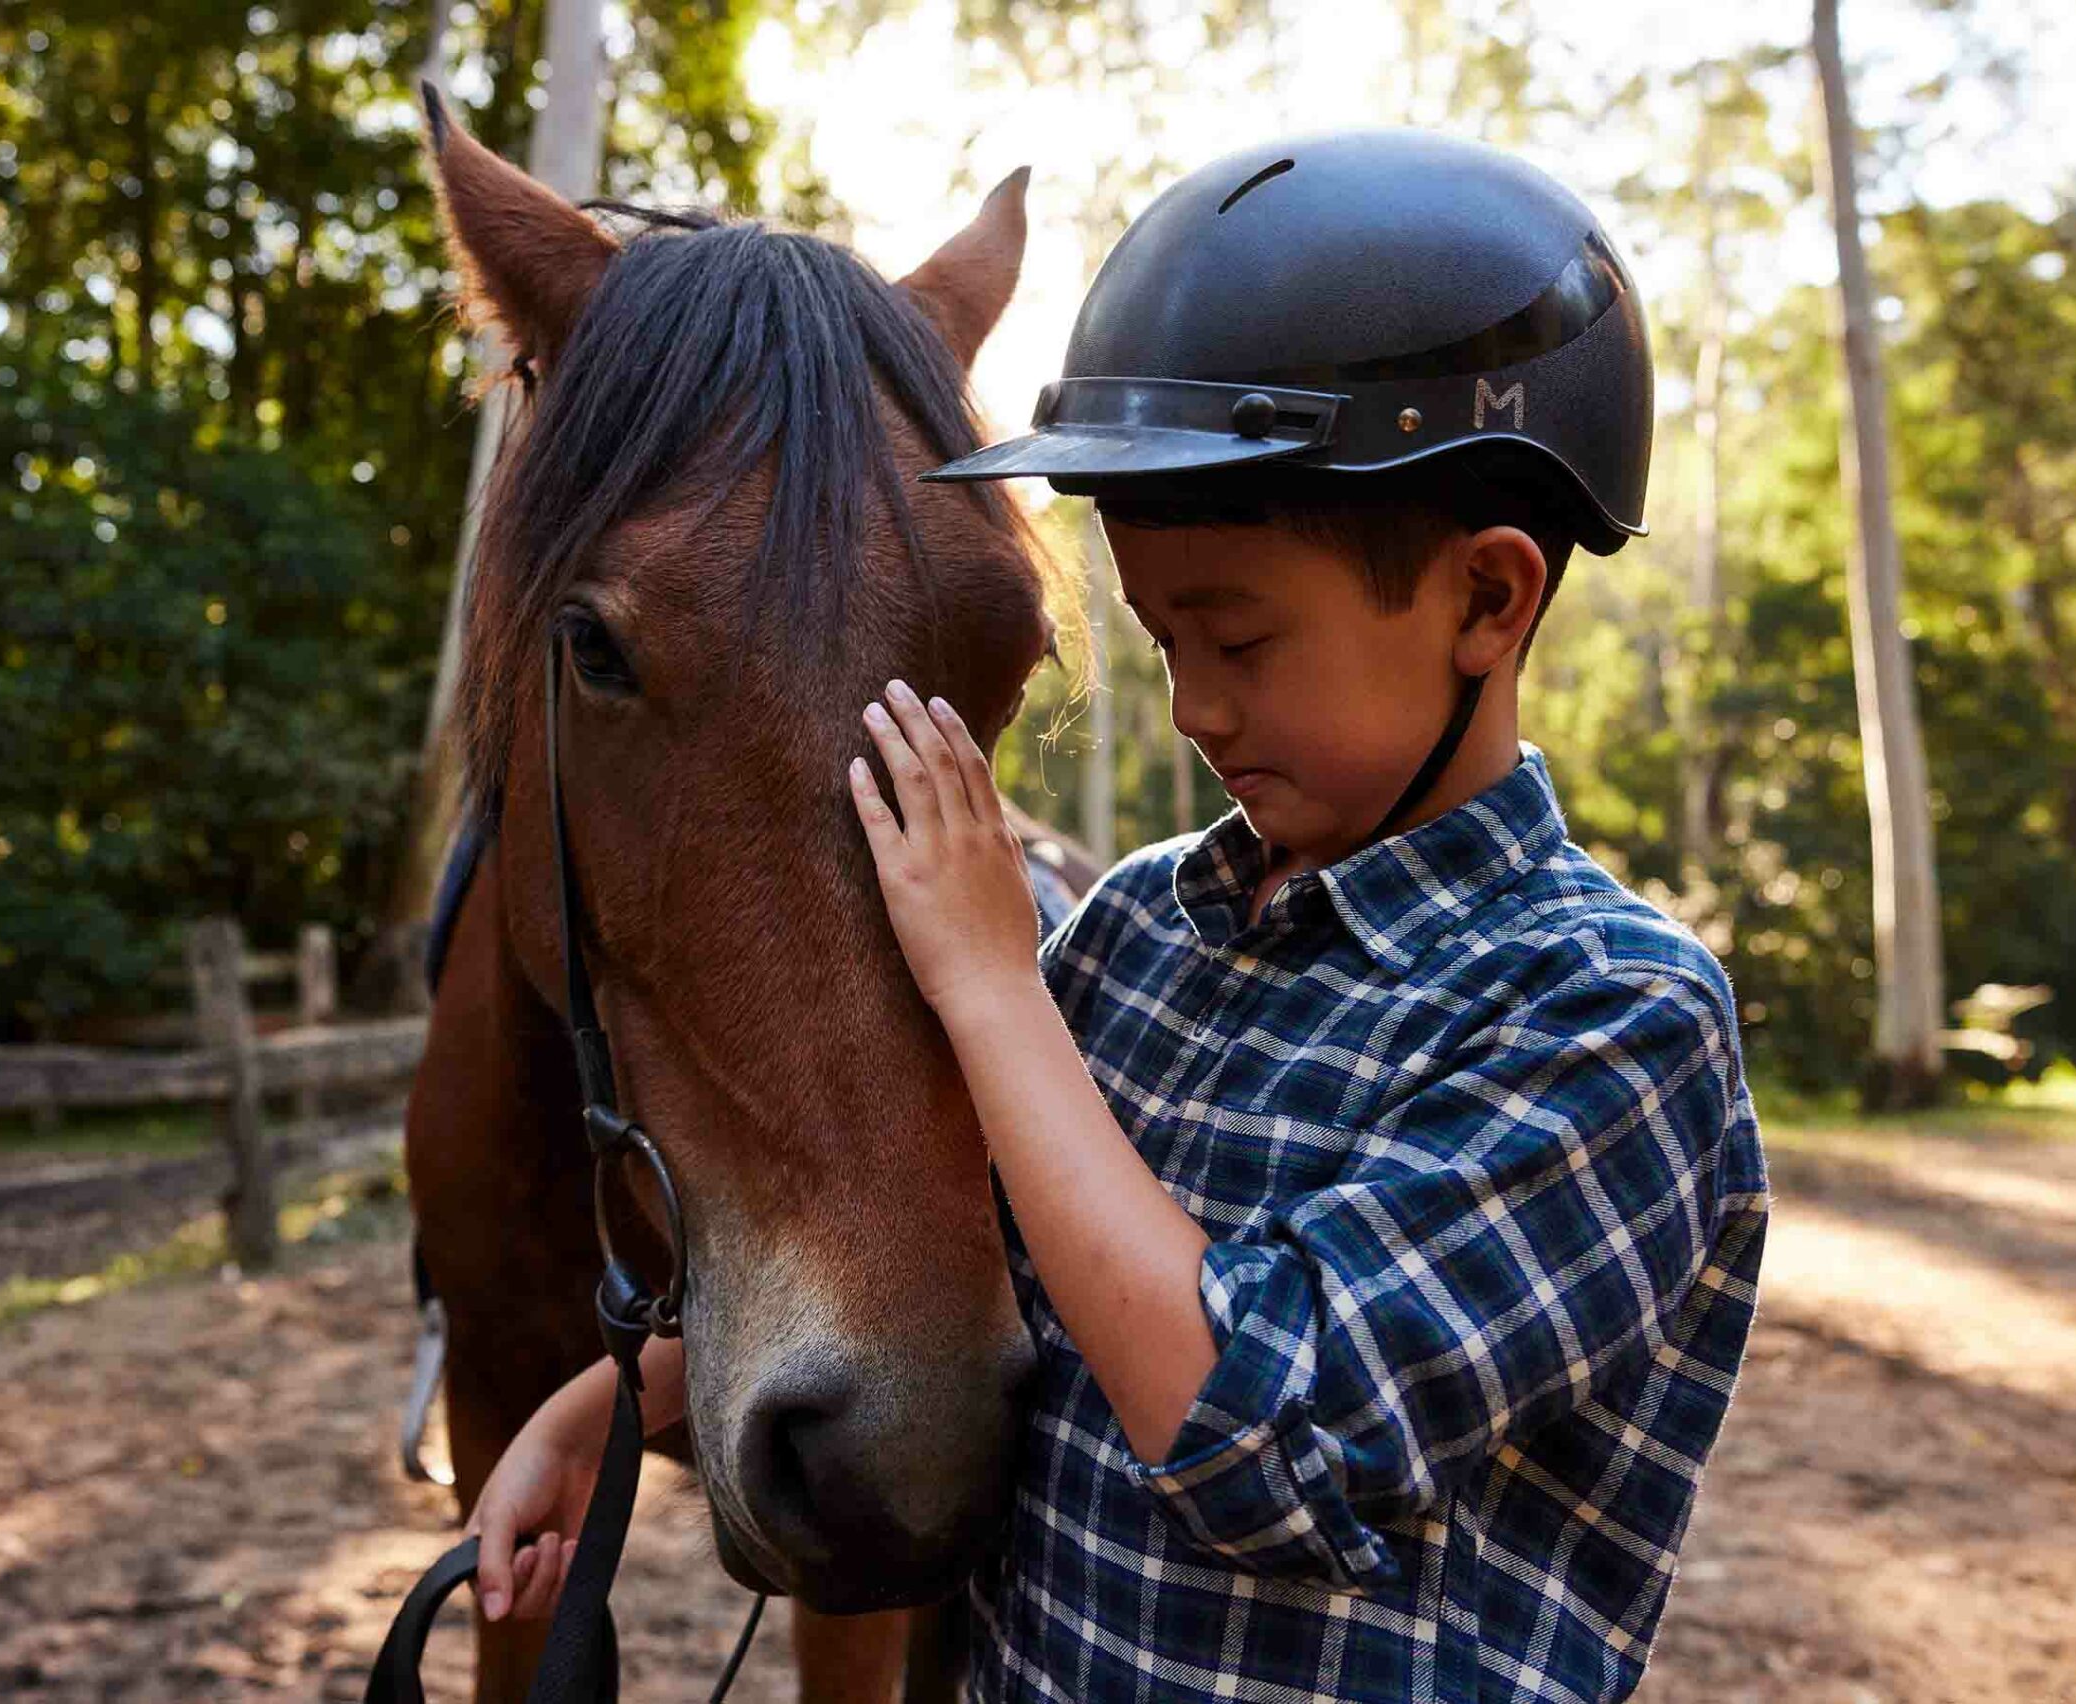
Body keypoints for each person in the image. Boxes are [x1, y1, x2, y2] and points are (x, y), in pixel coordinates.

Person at [465, 129, 1769, 1704]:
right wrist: (597, 1412)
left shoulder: (1610, 1019)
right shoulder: (1146, 936)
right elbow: (1010, 1271)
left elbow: (1271, 1440)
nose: (1191, 710)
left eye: (1238, 637)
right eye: (1157, 637)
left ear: (1490, 601)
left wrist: (994, 991)